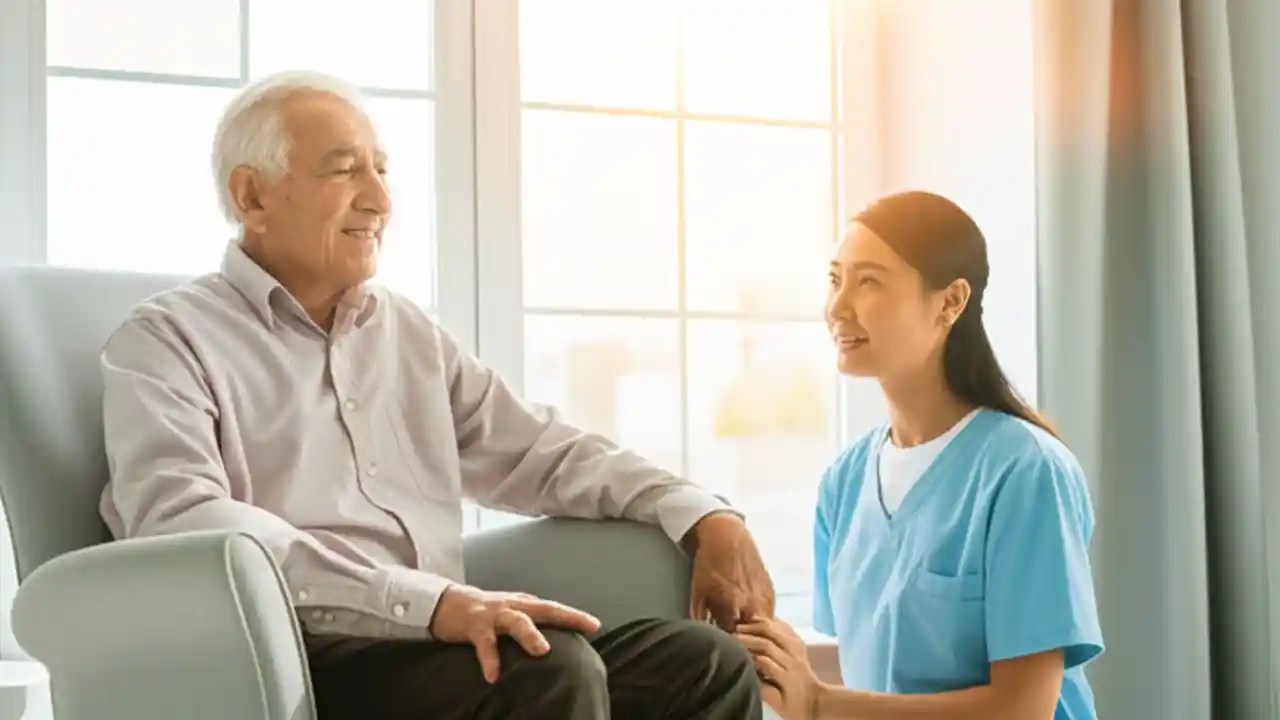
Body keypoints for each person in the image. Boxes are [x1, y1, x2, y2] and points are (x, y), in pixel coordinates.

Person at [99, 70, 769, 719]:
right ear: (252, 197)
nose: (380, 202)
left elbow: (541, 452)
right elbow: (183, 520)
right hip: (299, 660)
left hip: (441, 643)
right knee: (545, 669)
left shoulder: (406, 333)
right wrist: (421, 602)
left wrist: (701, 512)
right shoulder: (166, 342)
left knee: (704, 664)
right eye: (344, 170)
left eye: (381, 170)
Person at [736, 191, 1104, 719]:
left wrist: (820, 705)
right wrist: (762, 658)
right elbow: (865, 661)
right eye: (836, 279)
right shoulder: (844, 481)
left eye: (869, 282)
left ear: (951, 302)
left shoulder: (1025, 472)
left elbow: (1023, 708)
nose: (838, 308)